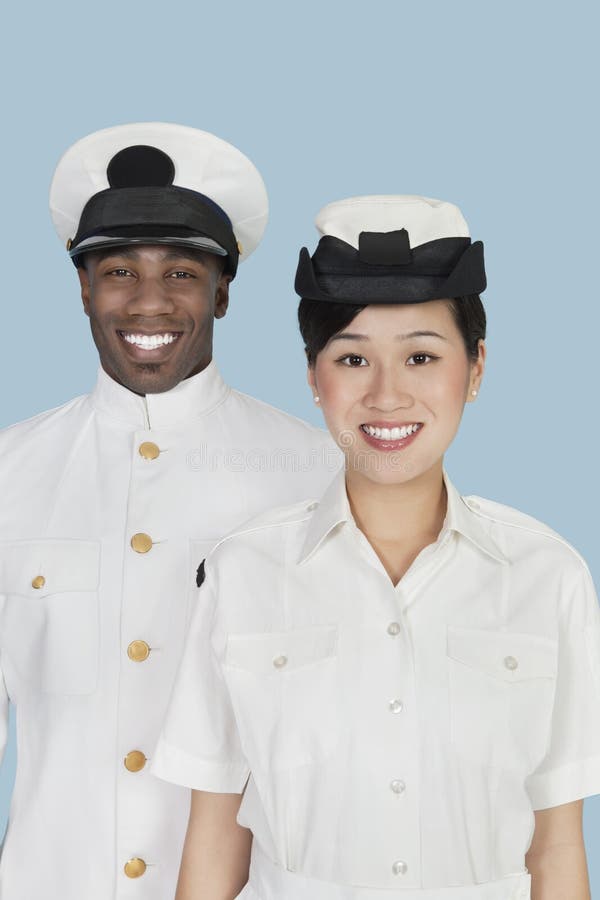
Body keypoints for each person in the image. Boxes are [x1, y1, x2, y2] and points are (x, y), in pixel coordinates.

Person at [153, 195, 600, 899]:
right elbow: (213, 838)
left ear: (476, 369)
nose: (387, 395)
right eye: (353, 358)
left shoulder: (549, 577)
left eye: (421, 355)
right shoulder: (244, 572)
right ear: (313, 376)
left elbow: (558, 845)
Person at [0, 122, 340, 900]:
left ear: (223, 291)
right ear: (82, 287)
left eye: (183, 272)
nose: (149, 300)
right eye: (119, 269)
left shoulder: (317, 475)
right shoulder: (7, 475)